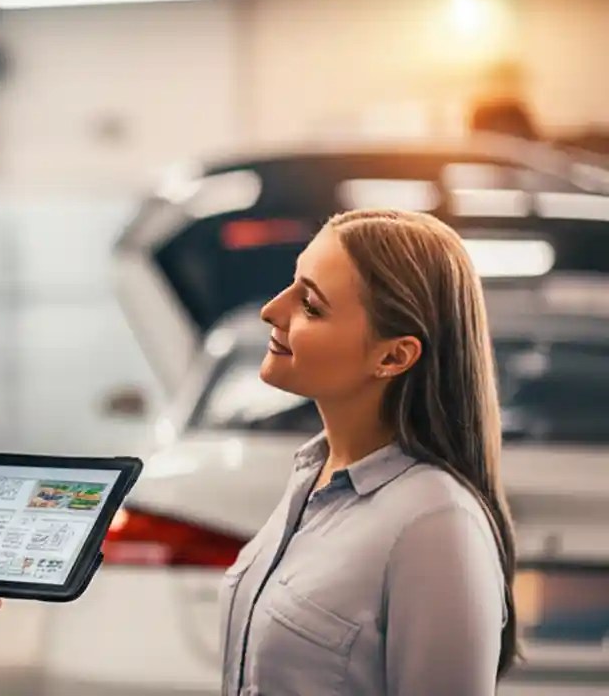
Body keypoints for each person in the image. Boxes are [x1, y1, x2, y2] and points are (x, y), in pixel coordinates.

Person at [219, 209, 517, 696]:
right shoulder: (314, 475)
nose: (272, 310)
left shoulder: (434, 525)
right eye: (292, 285)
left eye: (310, 305)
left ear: (393, 356)